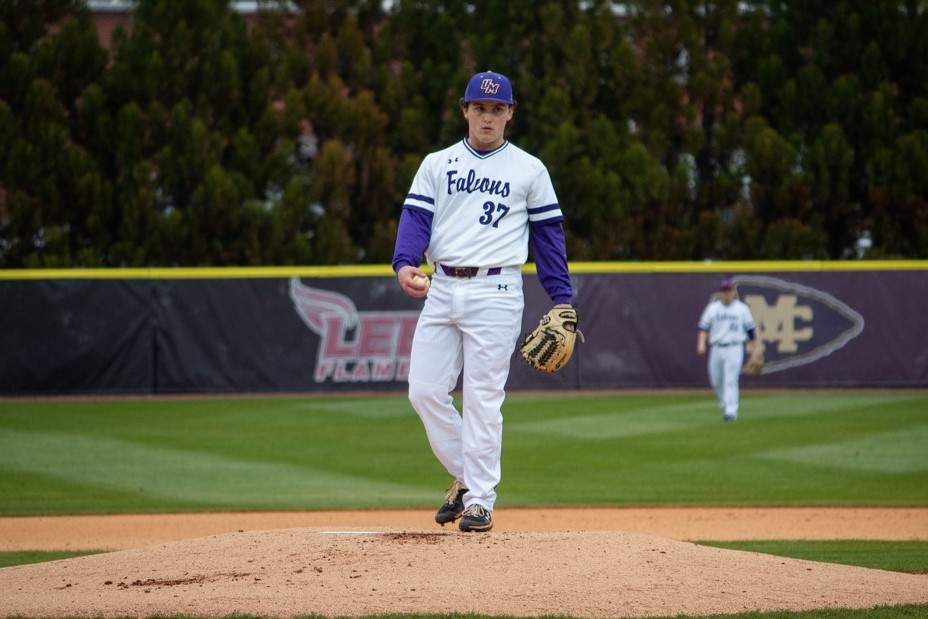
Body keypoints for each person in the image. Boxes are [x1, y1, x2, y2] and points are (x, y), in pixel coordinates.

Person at [392, 70, 576, 532]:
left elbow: (549, 239)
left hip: (496, 290)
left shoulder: (530, 169)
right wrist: (404, 263)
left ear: (510, 112)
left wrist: (562, 298)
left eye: (497, 109)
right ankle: (467, 477)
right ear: (465, 111)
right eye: (479, 108)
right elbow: (415, 217)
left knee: (482, 398)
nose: (488, 117)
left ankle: (480, 500)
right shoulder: (437, 164)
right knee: (424, 391)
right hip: (441, 286)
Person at [696, 278, 763, 422]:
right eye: (724, 291)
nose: (726, 294)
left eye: (728, 291)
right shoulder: (712, 308)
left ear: (733, 292)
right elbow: (703, 327)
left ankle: (731, 412)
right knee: (716, 381)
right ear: (720, 293)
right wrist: (701, 343)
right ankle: (725, 403)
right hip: (716, 348)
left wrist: (756, 350)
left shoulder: (741, 309)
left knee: (731, 380)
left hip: (734, 347)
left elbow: (751, 331)